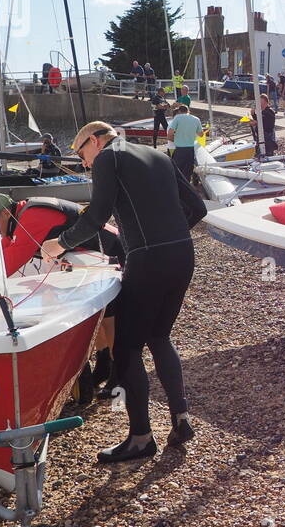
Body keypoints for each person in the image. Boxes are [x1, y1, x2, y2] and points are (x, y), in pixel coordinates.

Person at [41, 122, 205, 462]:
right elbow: (197, 207)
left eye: (81, 152)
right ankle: (181, 418)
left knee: (127, 348)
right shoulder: (158, 155)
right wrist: (169, 237)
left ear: (96, 140)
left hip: (149, 260)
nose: (84, 163)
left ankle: (141, 438)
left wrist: (60, 244)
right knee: (160, 336)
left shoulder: (107, 158)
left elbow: (97, 215)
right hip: (183, 255)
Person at [167, 102, 203, 182]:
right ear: (188, 111)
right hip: (190, 149)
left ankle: (179, 190)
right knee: (188, 172)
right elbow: (201, 134)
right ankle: (187, 188)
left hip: (179, 149)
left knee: (178, 171)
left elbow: (170, 133)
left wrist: (178, 136)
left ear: (179, 112)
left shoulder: (177, 118)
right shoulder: (196, 119)